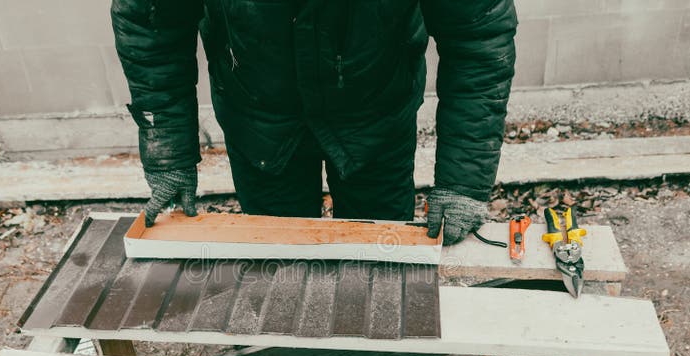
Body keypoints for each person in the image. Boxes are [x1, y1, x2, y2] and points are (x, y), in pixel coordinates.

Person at [112, 0, 517, 245]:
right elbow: (151, 25)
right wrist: (169, 155)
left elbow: (479, 38)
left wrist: (463, 184)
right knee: (277, 267)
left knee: (378, 260)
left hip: (375, 123)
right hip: (261, 129)